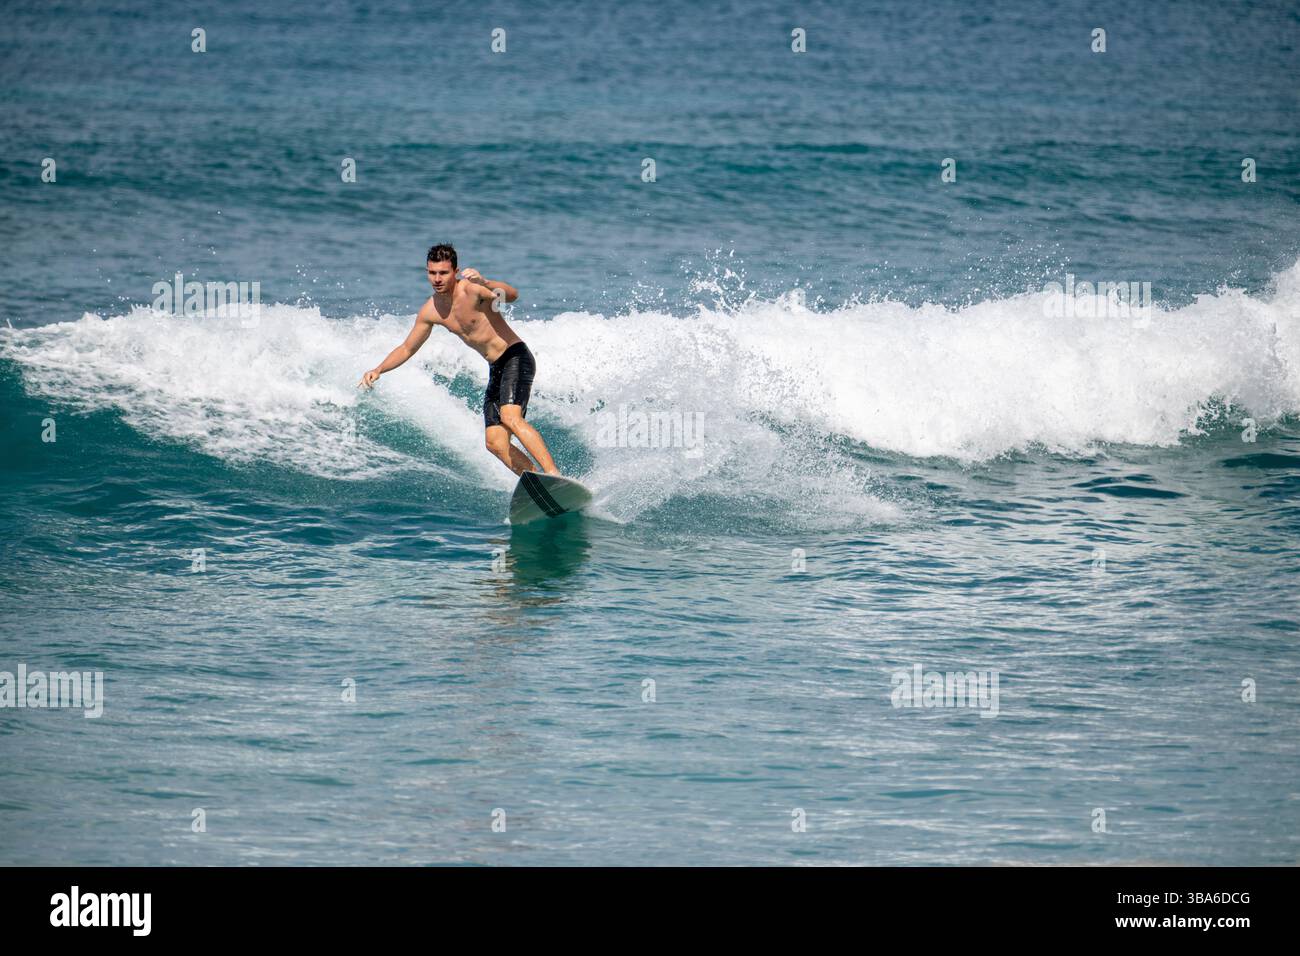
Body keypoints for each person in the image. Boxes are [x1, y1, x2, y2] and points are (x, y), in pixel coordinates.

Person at [358, 244, 559, 476]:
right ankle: (539, 481)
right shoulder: (431, 311)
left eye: (443, 273)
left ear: (455, 271)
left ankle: (553, 473)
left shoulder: (473, 291)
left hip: (515, 356)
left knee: (510, 417)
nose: (437, 279)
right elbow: (407, 347)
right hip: (496, 367)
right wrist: (379, 369)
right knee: (495, 443)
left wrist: (486, 283)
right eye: (432, 273)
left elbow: (512, 295)